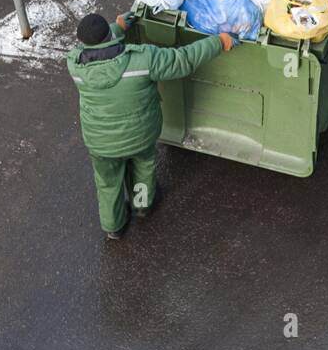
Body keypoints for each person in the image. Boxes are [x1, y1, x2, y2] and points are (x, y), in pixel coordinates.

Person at [66, 12, 233, 239]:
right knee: (143, 168)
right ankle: (142, 206)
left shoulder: (74, 64)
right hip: (140, 136)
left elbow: (99, 47)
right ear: (107, 35)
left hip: (100, 143)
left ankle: (113, 227)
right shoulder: (143, 60)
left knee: (107, 184)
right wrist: (218, 42)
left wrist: (119, 26)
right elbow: (182, 60)